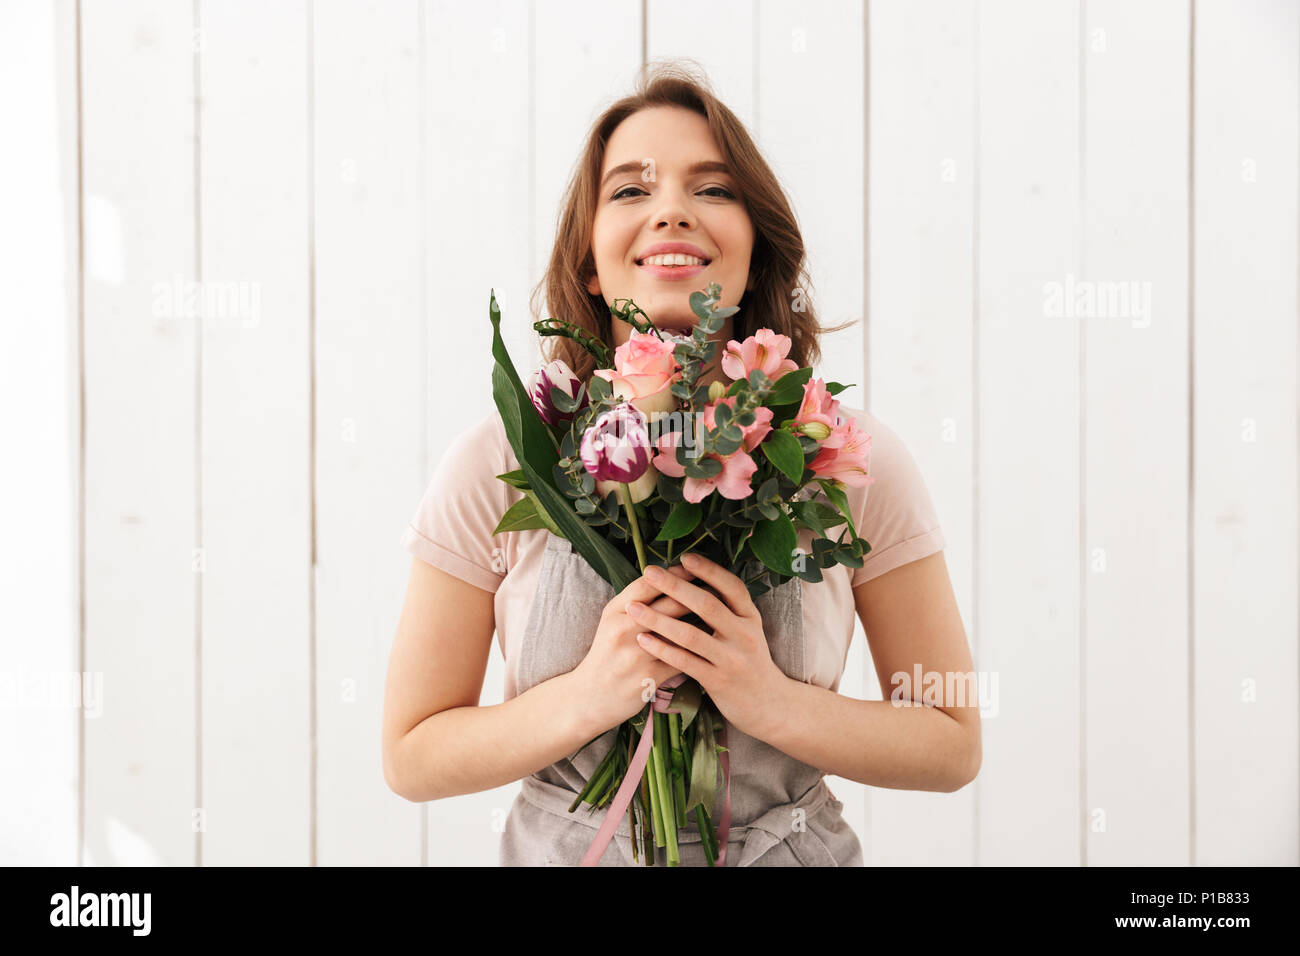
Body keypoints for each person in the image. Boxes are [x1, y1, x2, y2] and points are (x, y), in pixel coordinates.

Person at [382, 62, 980, 866]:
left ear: (757, 250)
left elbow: (950, 743)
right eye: (631, 191)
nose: (671, 210)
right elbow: (412, 755)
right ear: (590, 259)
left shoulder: (841, 454)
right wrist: (591, 694)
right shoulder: (500, 460)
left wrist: (767, 700)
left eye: (713, 189)